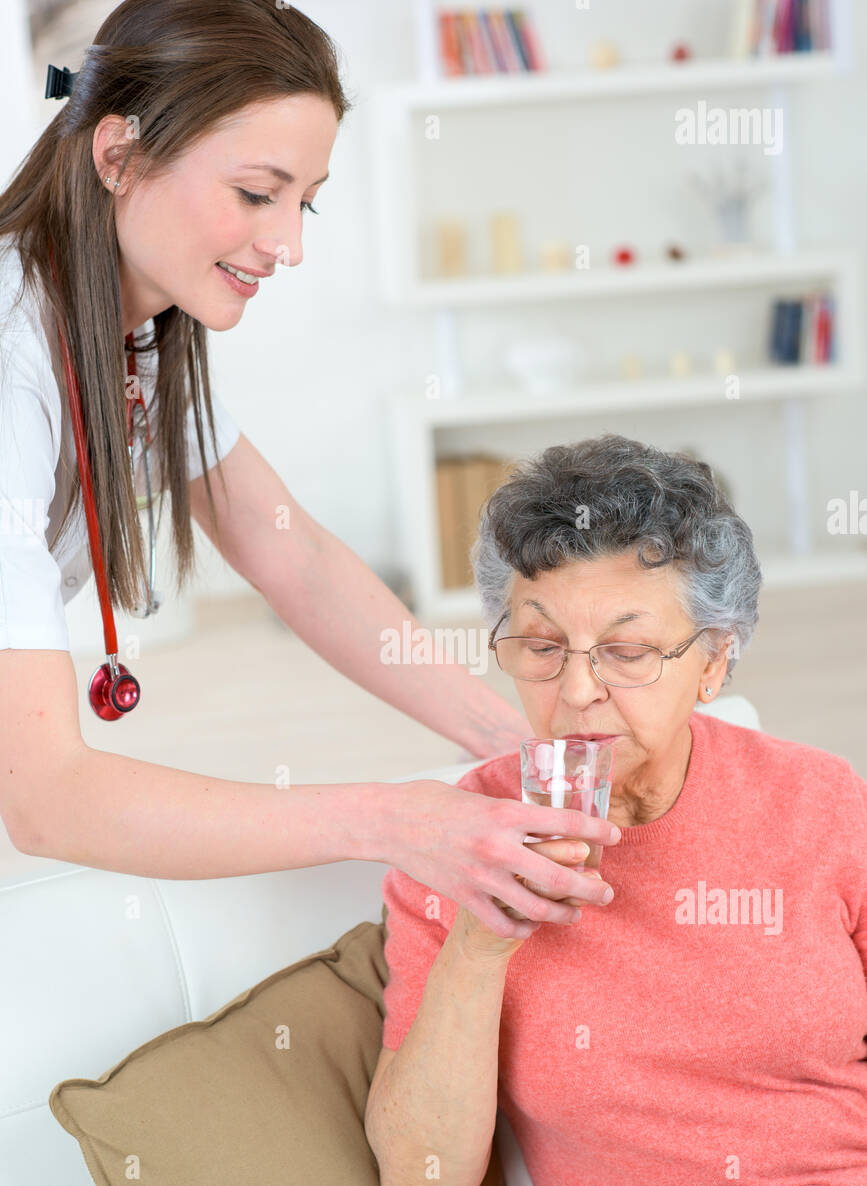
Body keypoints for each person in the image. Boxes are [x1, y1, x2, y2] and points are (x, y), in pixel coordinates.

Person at [0, 0, 621, 933]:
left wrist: (516, 743)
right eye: (257, 194)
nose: (287, 246)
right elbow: (48, 802)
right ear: (117, 156)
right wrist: (394, 820)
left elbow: (290, 553)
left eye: (305, 202)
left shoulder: (134, 328)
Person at [365, 433, 867, 1186]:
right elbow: (425, 1178)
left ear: (712, 662)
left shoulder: (819, 802)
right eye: (540, 645)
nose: (577, 693)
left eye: (628, 654)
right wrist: (484, 941)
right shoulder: (454, 852)